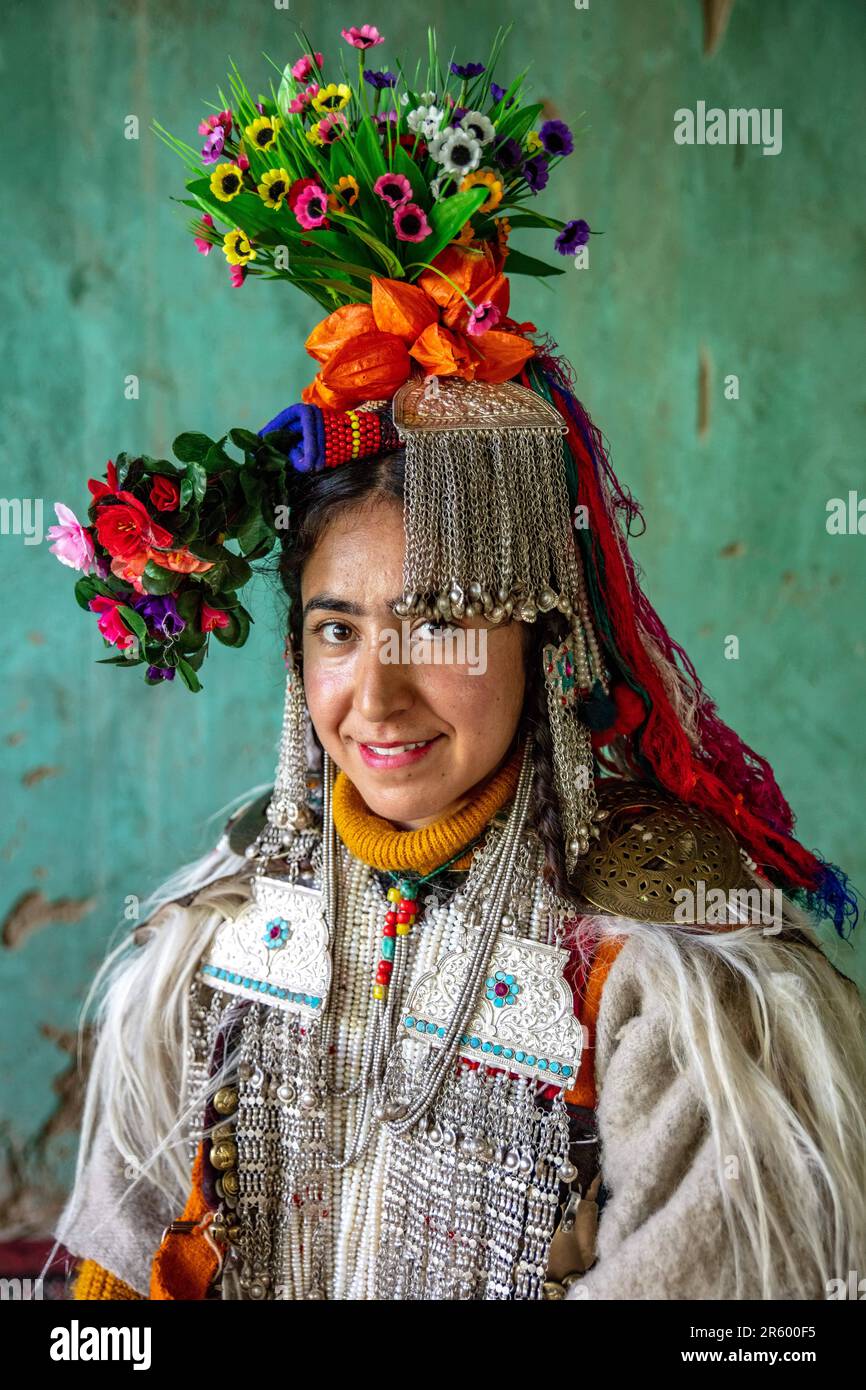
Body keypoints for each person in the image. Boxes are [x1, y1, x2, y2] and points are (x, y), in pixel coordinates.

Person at [46, 31, 866, 1301]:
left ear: (544, 634)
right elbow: (98, 1315)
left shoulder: (663, 972)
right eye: (335, 628)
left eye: (436, 624)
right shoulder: (212, 945)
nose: (372, 698)